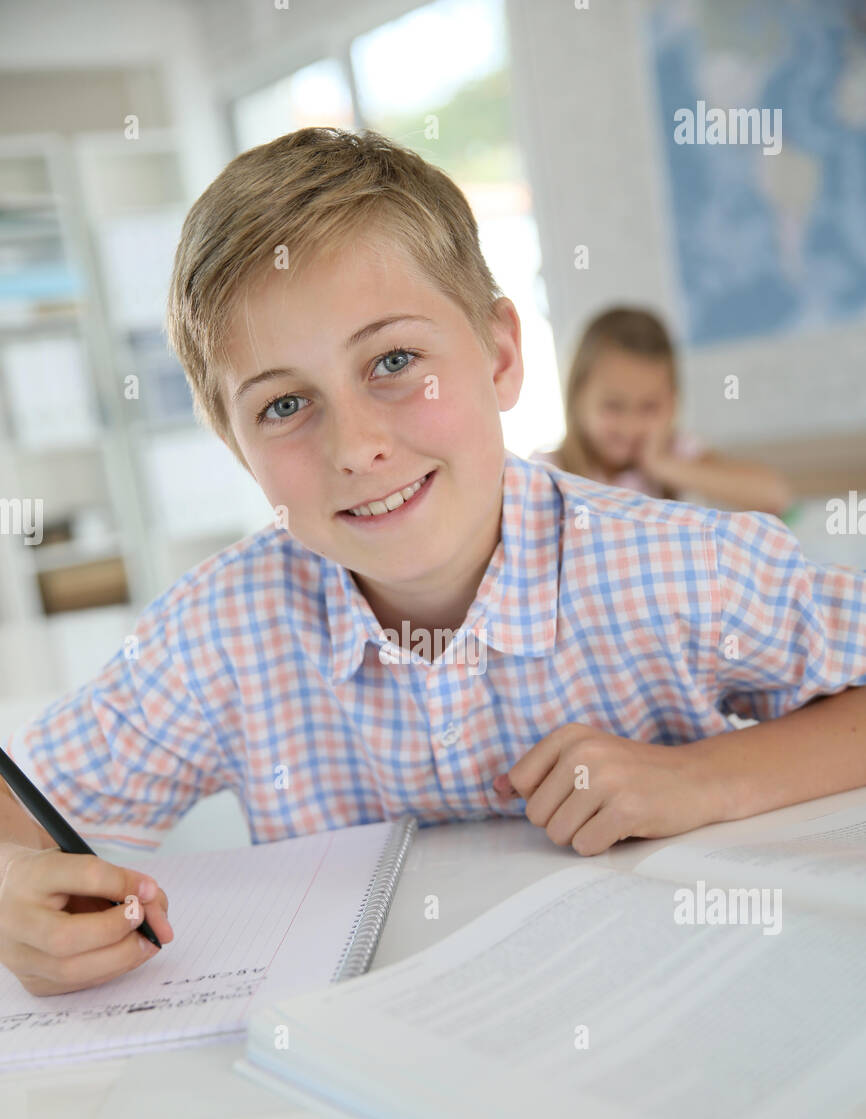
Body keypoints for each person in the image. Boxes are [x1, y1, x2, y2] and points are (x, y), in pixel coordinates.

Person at [1, 127, 865, 998]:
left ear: (499, 356)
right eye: (286, 404)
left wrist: (704, 779)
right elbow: (27, 803)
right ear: (236, 447)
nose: (357, 446)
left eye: (395, 361)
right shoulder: (219, 634)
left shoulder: (680, 568)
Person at [533, 306, 793, 515]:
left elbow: (775, 495)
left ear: (672, 403)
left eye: (649, 407)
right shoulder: (549, 473)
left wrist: (662, 465)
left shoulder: (677, 454)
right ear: (577, 397)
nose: (630, 426)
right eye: (613, 406)